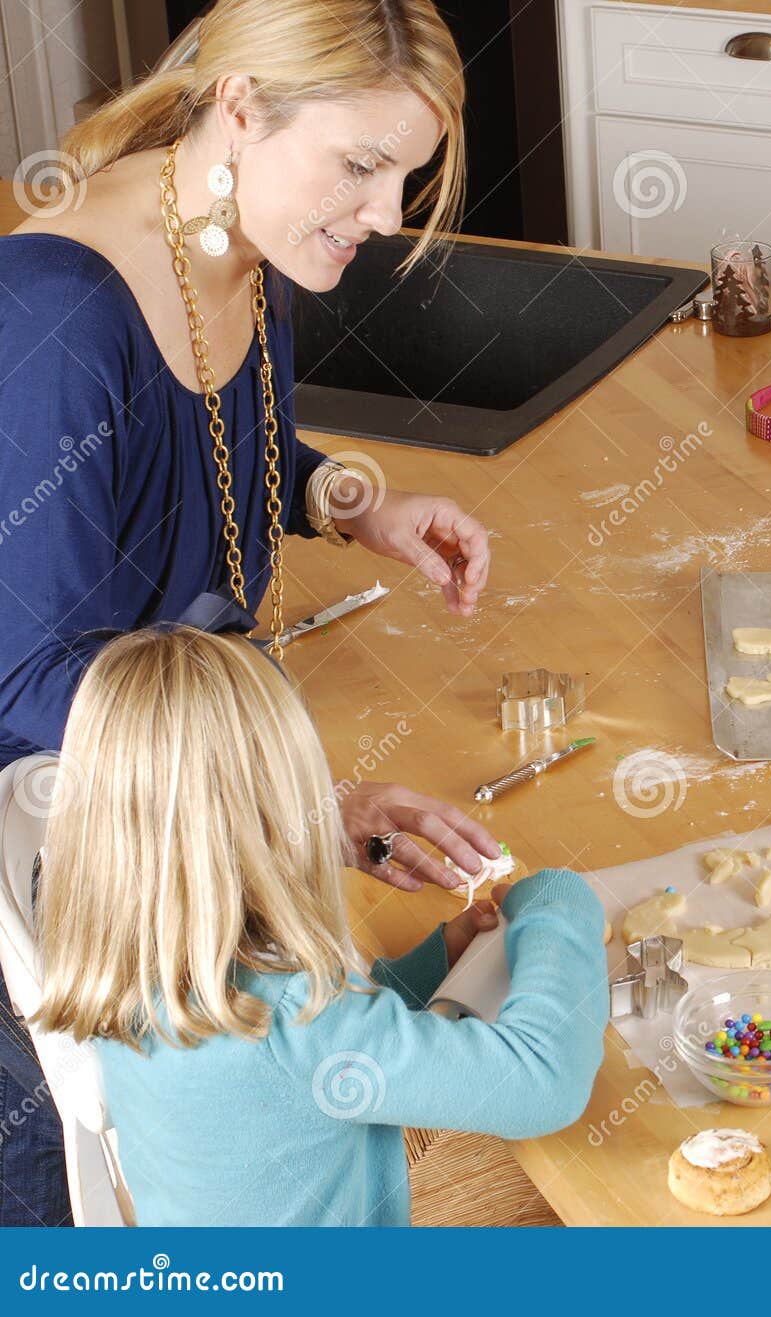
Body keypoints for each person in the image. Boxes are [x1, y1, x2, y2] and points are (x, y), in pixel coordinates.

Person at [0, 0, 503, 1224]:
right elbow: (30, 682)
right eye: (361, 166)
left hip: (188, 807)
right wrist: (290, 801)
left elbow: (221, 451)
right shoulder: (54, 312)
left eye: (406, 175)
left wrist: (348, 501)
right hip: (64, 854)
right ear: (239, 107)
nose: (384, 217)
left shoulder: (247, 234)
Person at [30, 628, 607, 1226]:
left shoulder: (133, 956)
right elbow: (543, 1083)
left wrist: (437, 964)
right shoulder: (297, 1021)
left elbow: (301, 1063)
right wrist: (559, 903)